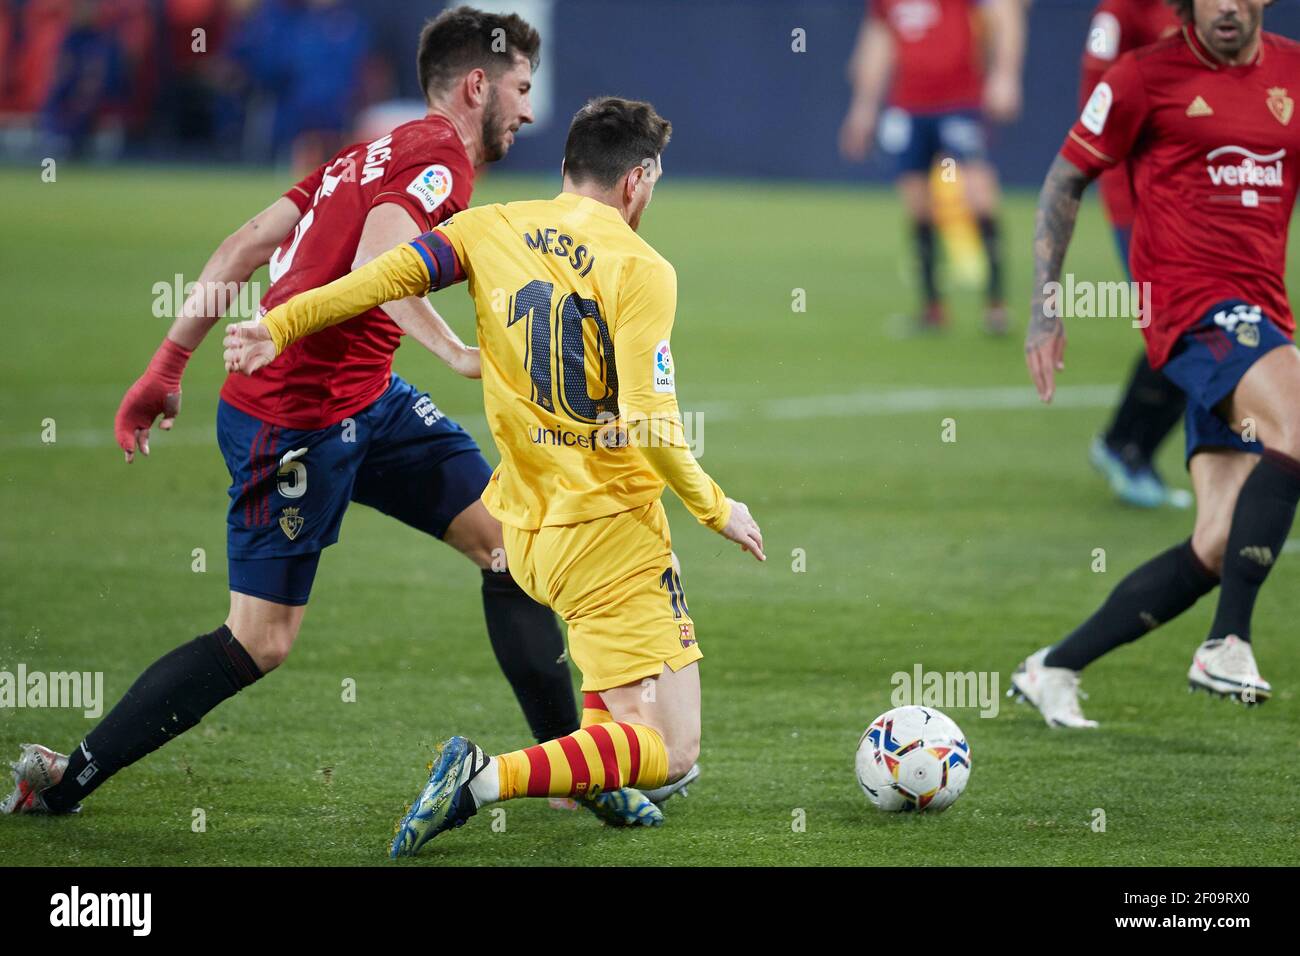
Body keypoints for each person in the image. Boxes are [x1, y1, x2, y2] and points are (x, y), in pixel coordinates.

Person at [2, 6, 647, 825]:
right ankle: (66, 779)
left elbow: (245, 244)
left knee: (512, 549)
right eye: (521, 89)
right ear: (476, 83)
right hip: (294, 421)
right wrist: (453, 352)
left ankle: (576, 773)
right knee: (259, 641)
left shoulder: (364, 154)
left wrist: (167, 366)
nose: (526, 109)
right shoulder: (441, 156)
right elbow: (386, 256)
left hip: (365, 398)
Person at [223, 96, 766, 856]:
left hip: (528, 534)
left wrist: (276, 324)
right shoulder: (642, 268)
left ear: (570, 166)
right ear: (638, 180)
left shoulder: (489, 227)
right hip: (611, 534)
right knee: (671, 752)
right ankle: (483, 778)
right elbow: (648, 422)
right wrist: (717, 508)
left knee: (618, 701)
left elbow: (377, 278)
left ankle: (588, 779)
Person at [1013, 0, 1298, 727]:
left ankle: (1053, 668)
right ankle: (1227, 641)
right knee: (1296, 425)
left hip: (1262, 312)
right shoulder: (1144, 76)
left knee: (1218, 541)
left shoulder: (1293, 74)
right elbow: (1065, 177)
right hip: (1188, 307)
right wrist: (1047, 306)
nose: (1226, 5)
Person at [839, 0, 1025, 333]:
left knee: (977, 194)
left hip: (959, 102)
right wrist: (863, 108)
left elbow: (1006, 12)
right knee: (917, 205)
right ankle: (932, 309)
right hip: (908, 106)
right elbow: (877, 44)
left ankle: (995, 306)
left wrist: (1005, 75)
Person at [1079, 0, 1190, 508]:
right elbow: (1095, 96)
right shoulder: (1121, 10)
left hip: (1193, 191)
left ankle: (1122, 443)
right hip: (1137, 194)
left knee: (1196, 326)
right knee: (1179, 325)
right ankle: (1128, 449)